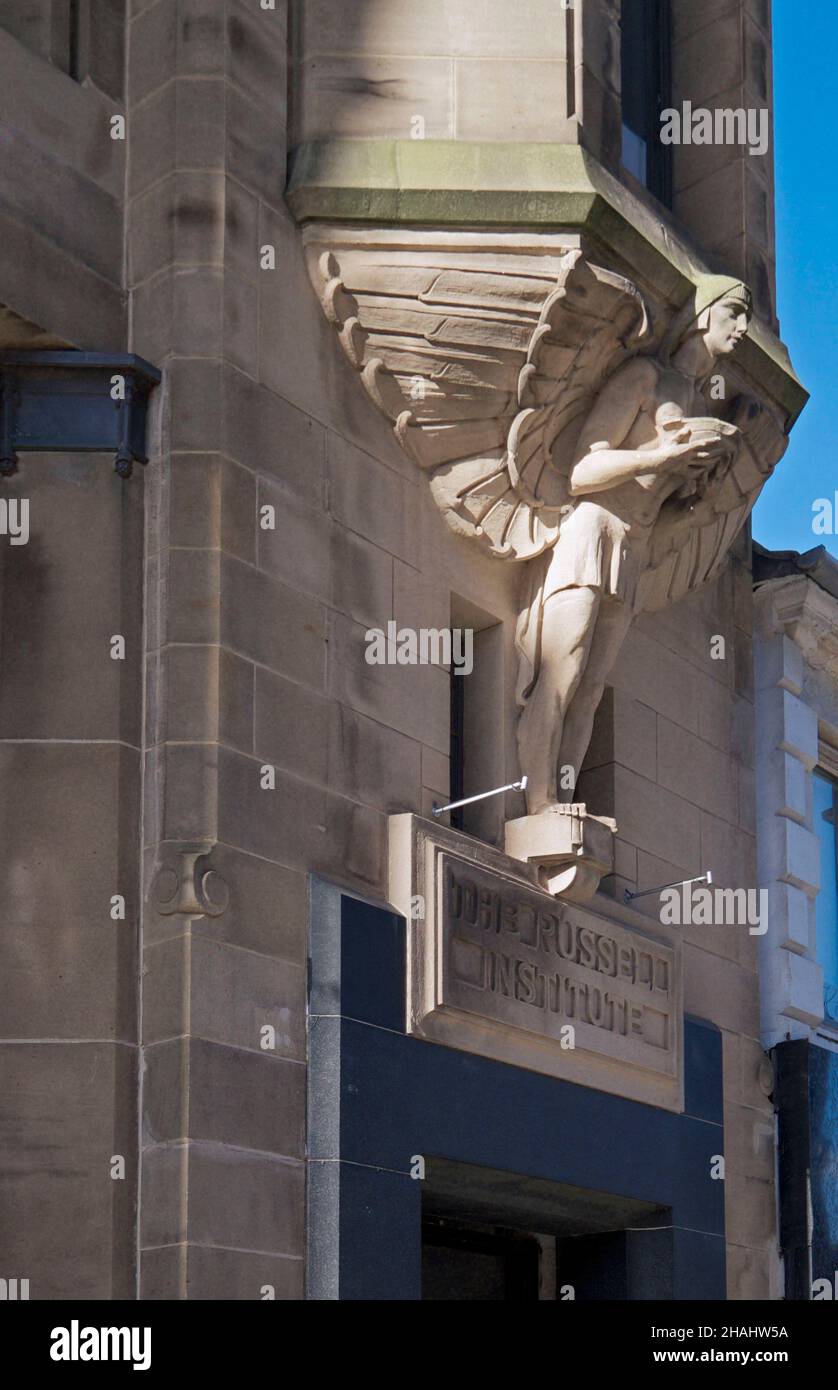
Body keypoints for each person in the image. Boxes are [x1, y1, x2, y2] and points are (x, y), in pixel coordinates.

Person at [516, 278, 753, 814]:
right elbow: (582, 470)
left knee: (592, 688)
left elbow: (662, 499)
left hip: (634, 544)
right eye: (734, 313)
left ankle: (563, 800)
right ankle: (538, 801)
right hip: (593, 528)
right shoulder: (645, 375)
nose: (742, 329)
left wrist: (693, 493)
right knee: (565, 667)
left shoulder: (695, 398)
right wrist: (658, 459)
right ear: (703, 314)